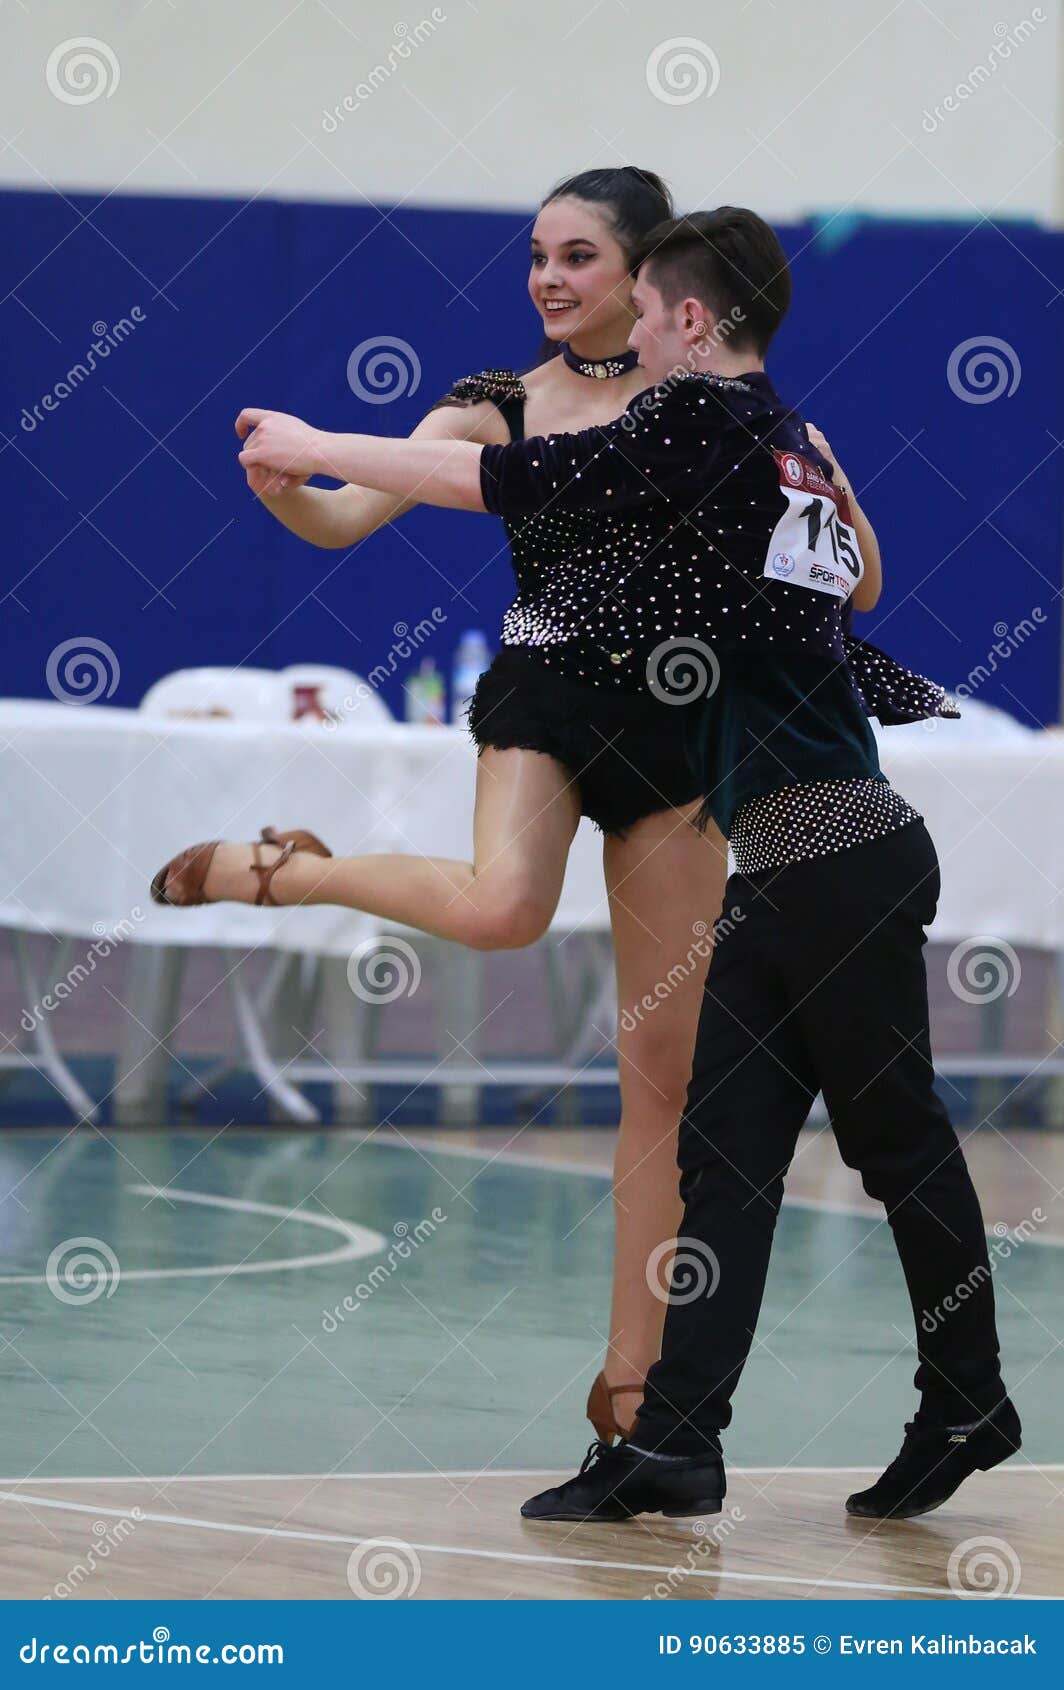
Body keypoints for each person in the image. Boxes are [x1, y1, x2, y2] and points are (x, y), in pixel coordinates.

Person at [231, 205, 1020, 1524]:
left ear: (690, 321)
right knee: (723, 1151)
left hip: (835, 849)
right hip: (783, 856)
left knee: (892, 1143)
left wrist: (316, 444)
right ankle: (674, 1442)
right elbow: (849, 597)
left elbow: (496, 482)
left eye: (645, 313)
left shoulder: (695, 423)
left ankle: (966, 1399)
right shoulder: (783, 441)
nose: (631, 338)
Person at [153, 167, 733, 1448]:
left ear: (644, 272)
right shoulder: (495, 402)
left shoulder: (704, 407)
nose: (547, 279)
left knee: (663, 1071)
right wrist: (290, 490)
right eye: (537, 255)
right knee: (501, 910)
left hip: (681, 728)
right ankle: (294, 870)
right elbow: (347, 514)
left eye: (576, 256)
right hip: (545, 700)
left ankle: (633, 1382)